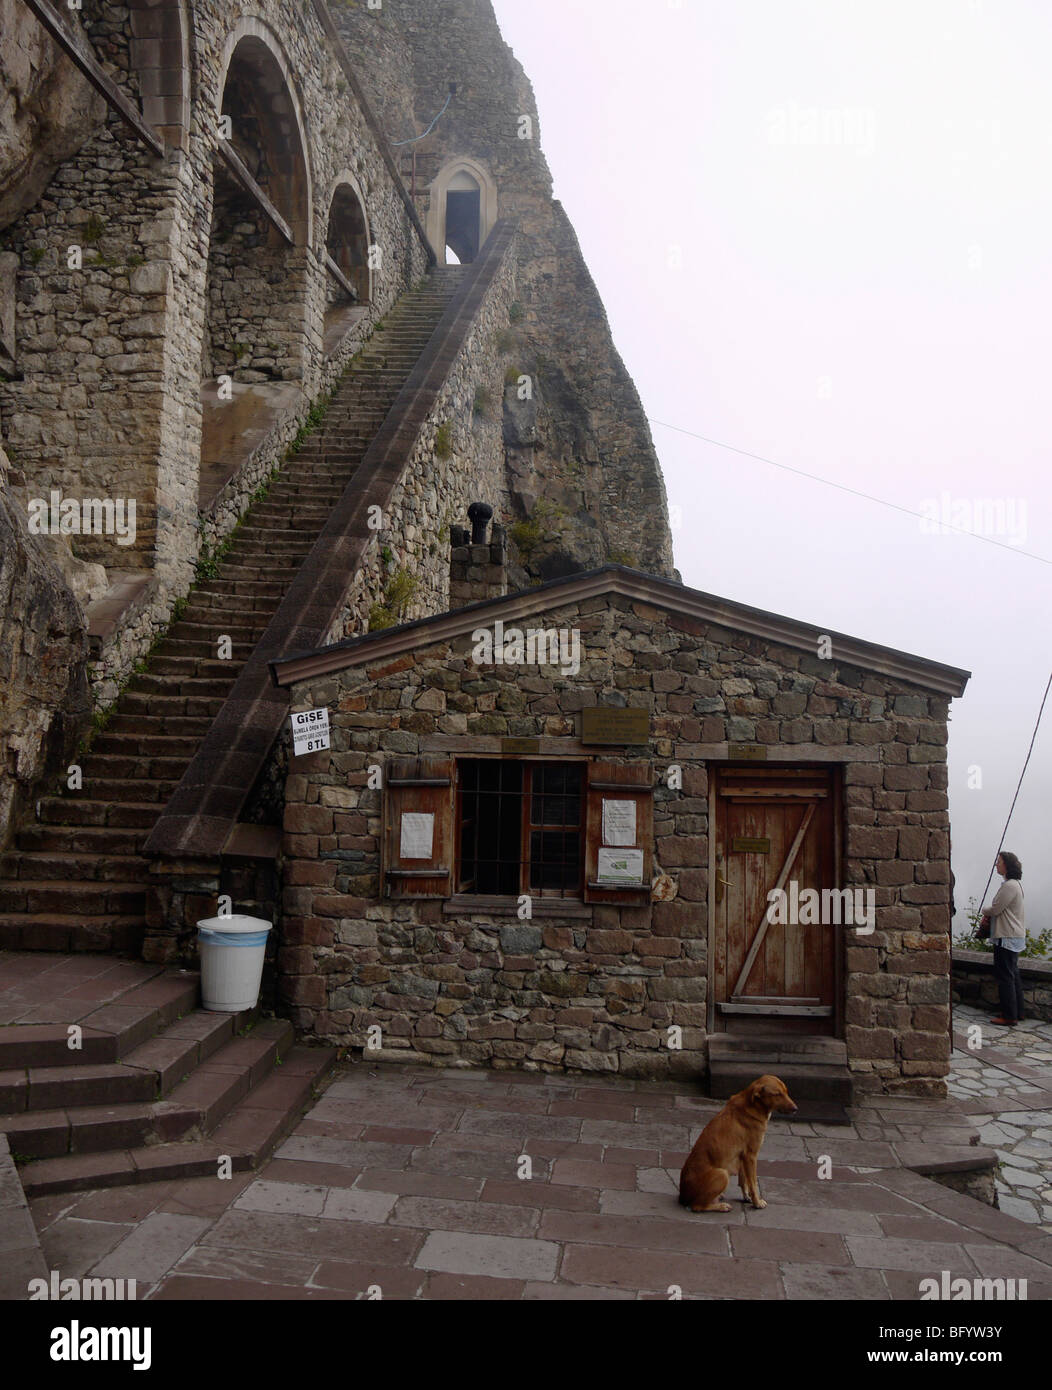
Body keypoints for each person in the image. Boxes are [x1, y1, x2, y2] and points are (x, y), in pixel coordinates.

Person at [980, 851, 1025, 1026]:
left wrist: (984, 910)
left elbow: (996, 908)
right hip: (1013, 935)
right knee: (1013, 974)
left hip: (1006, 935)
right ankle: (1018, 1012)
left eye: (999, 862)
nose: (996, 865)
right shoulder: (1016, 885)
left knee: (1005, 976)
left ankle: (1008, 1015)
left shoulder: (1009, 886)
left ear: (1007, 865)